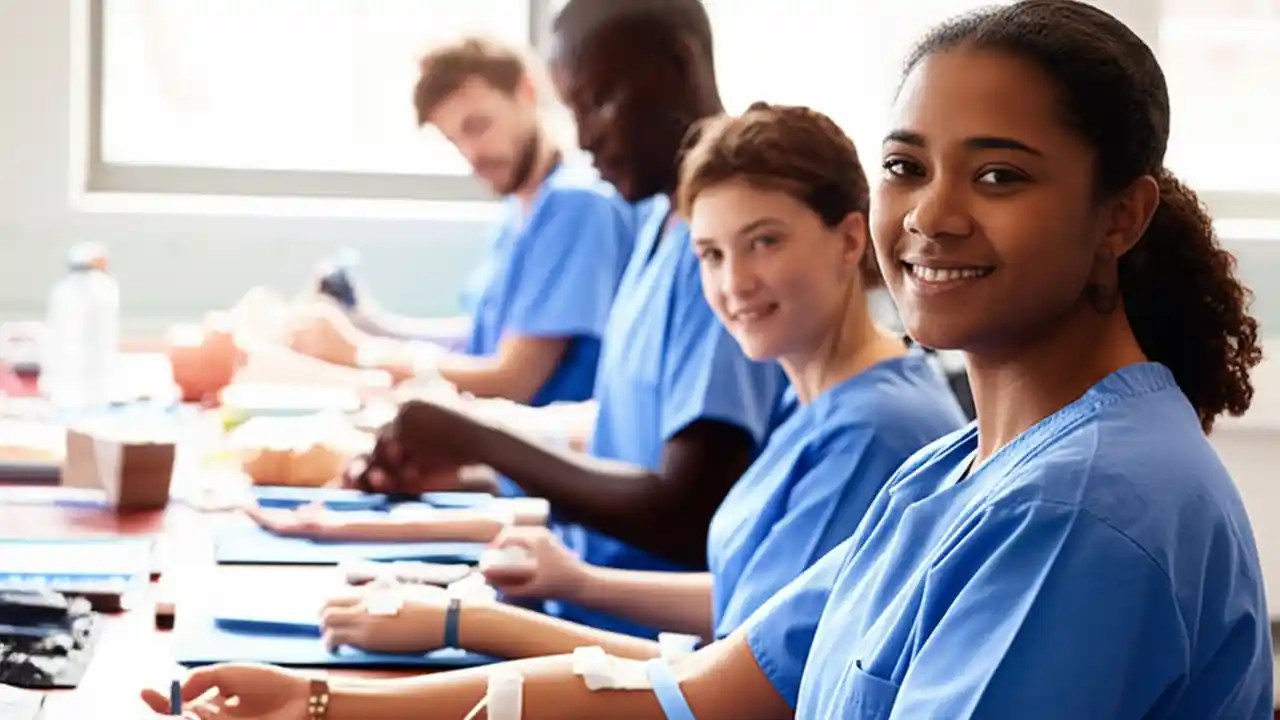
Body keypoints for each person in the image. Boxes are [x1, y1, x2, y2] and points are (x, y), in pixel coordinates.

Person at [144, 2, 1272, 718]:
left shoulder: (1083, 512)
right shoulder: (952, 478)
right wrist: (320, 703)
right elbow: (699, 685)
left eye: (997, 175)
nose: (929, 216)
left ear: (1118, 216)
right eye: (904, 164)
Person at [307, 104, 966, 660]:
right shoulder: (812, 396)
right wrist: (581, 581)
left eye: (764, 242)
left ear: (850, 240)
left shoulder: (873, 429)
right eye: (711, 254)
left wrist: (460, 622)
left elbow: (748, 680)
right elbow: (759, 602)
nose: (733, 283)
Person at [337, 0, 789, 638]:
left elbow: (685, 514)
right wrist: (473, 465)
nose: (583, 138)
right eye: (574, 109)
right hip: (564, 591)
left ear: (679, 68)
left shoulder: (720, 260)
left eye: (601, 101)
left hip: (626, 637)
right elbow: (617, 434)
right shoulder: (660, 226)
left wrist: (477, 436)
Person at [288, 36, 634, 407]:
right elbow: (479, 340)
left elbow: (513, 378)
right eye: (454, 140)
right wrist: (370, 322)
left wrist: (361, 352)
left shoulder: (578, 206)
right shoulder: (517, 212)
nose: (471, 155)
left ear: (526, 92)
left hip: (536, 450)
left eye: (478, 126)